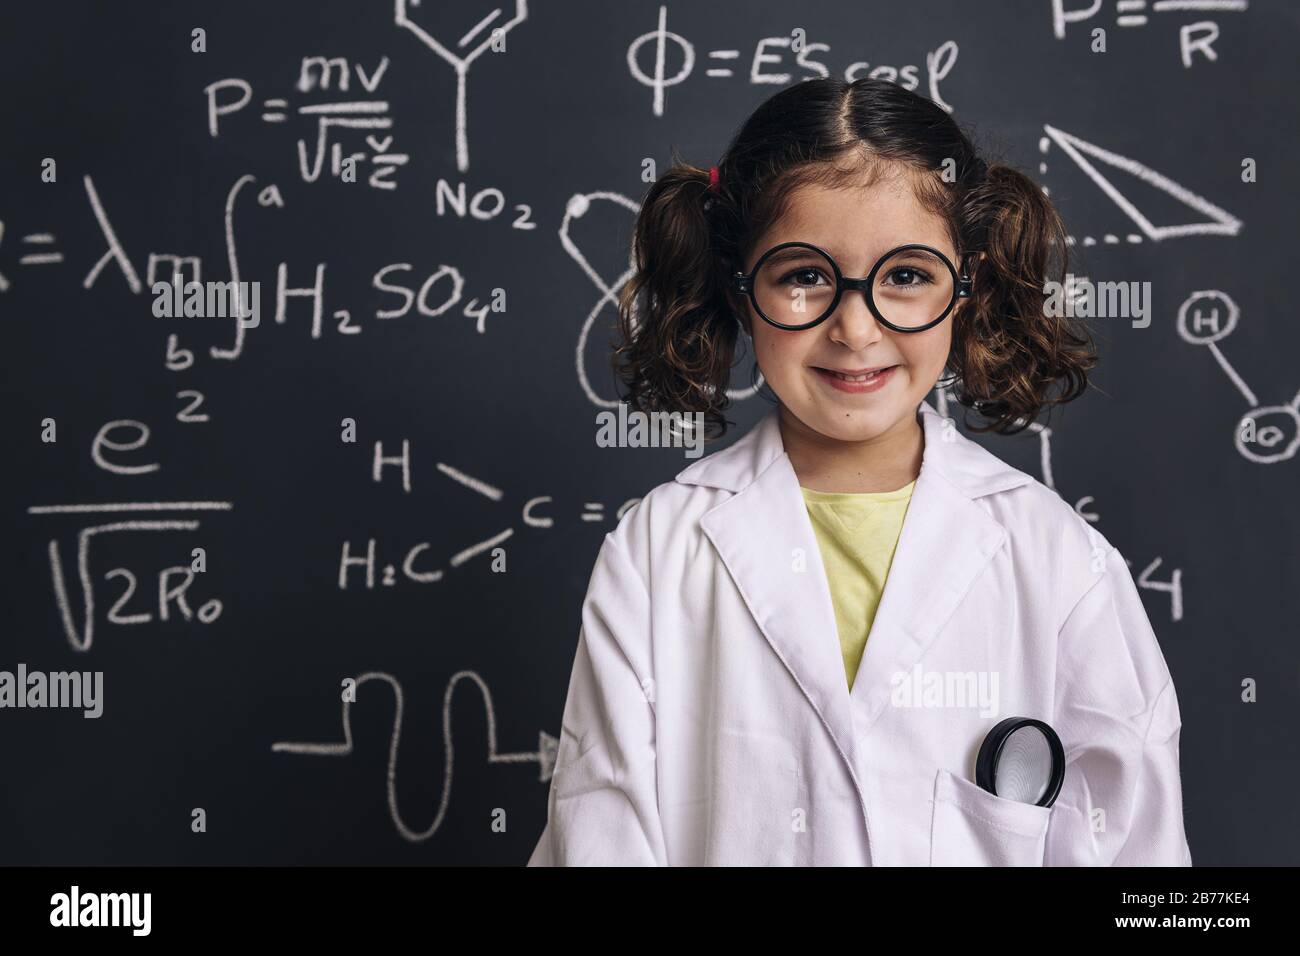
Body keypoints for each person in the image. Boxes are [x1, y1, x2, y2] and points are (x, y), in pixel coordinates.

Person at [527, 77, 1192, 866]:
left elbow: (1140, 854)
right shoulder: (655, 554)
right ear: (742, 292)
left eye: (907, 276)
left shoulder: (1058, 561)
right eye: (803, 276)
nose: (856, 327)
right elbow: (601, 831)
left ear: (966, 287)